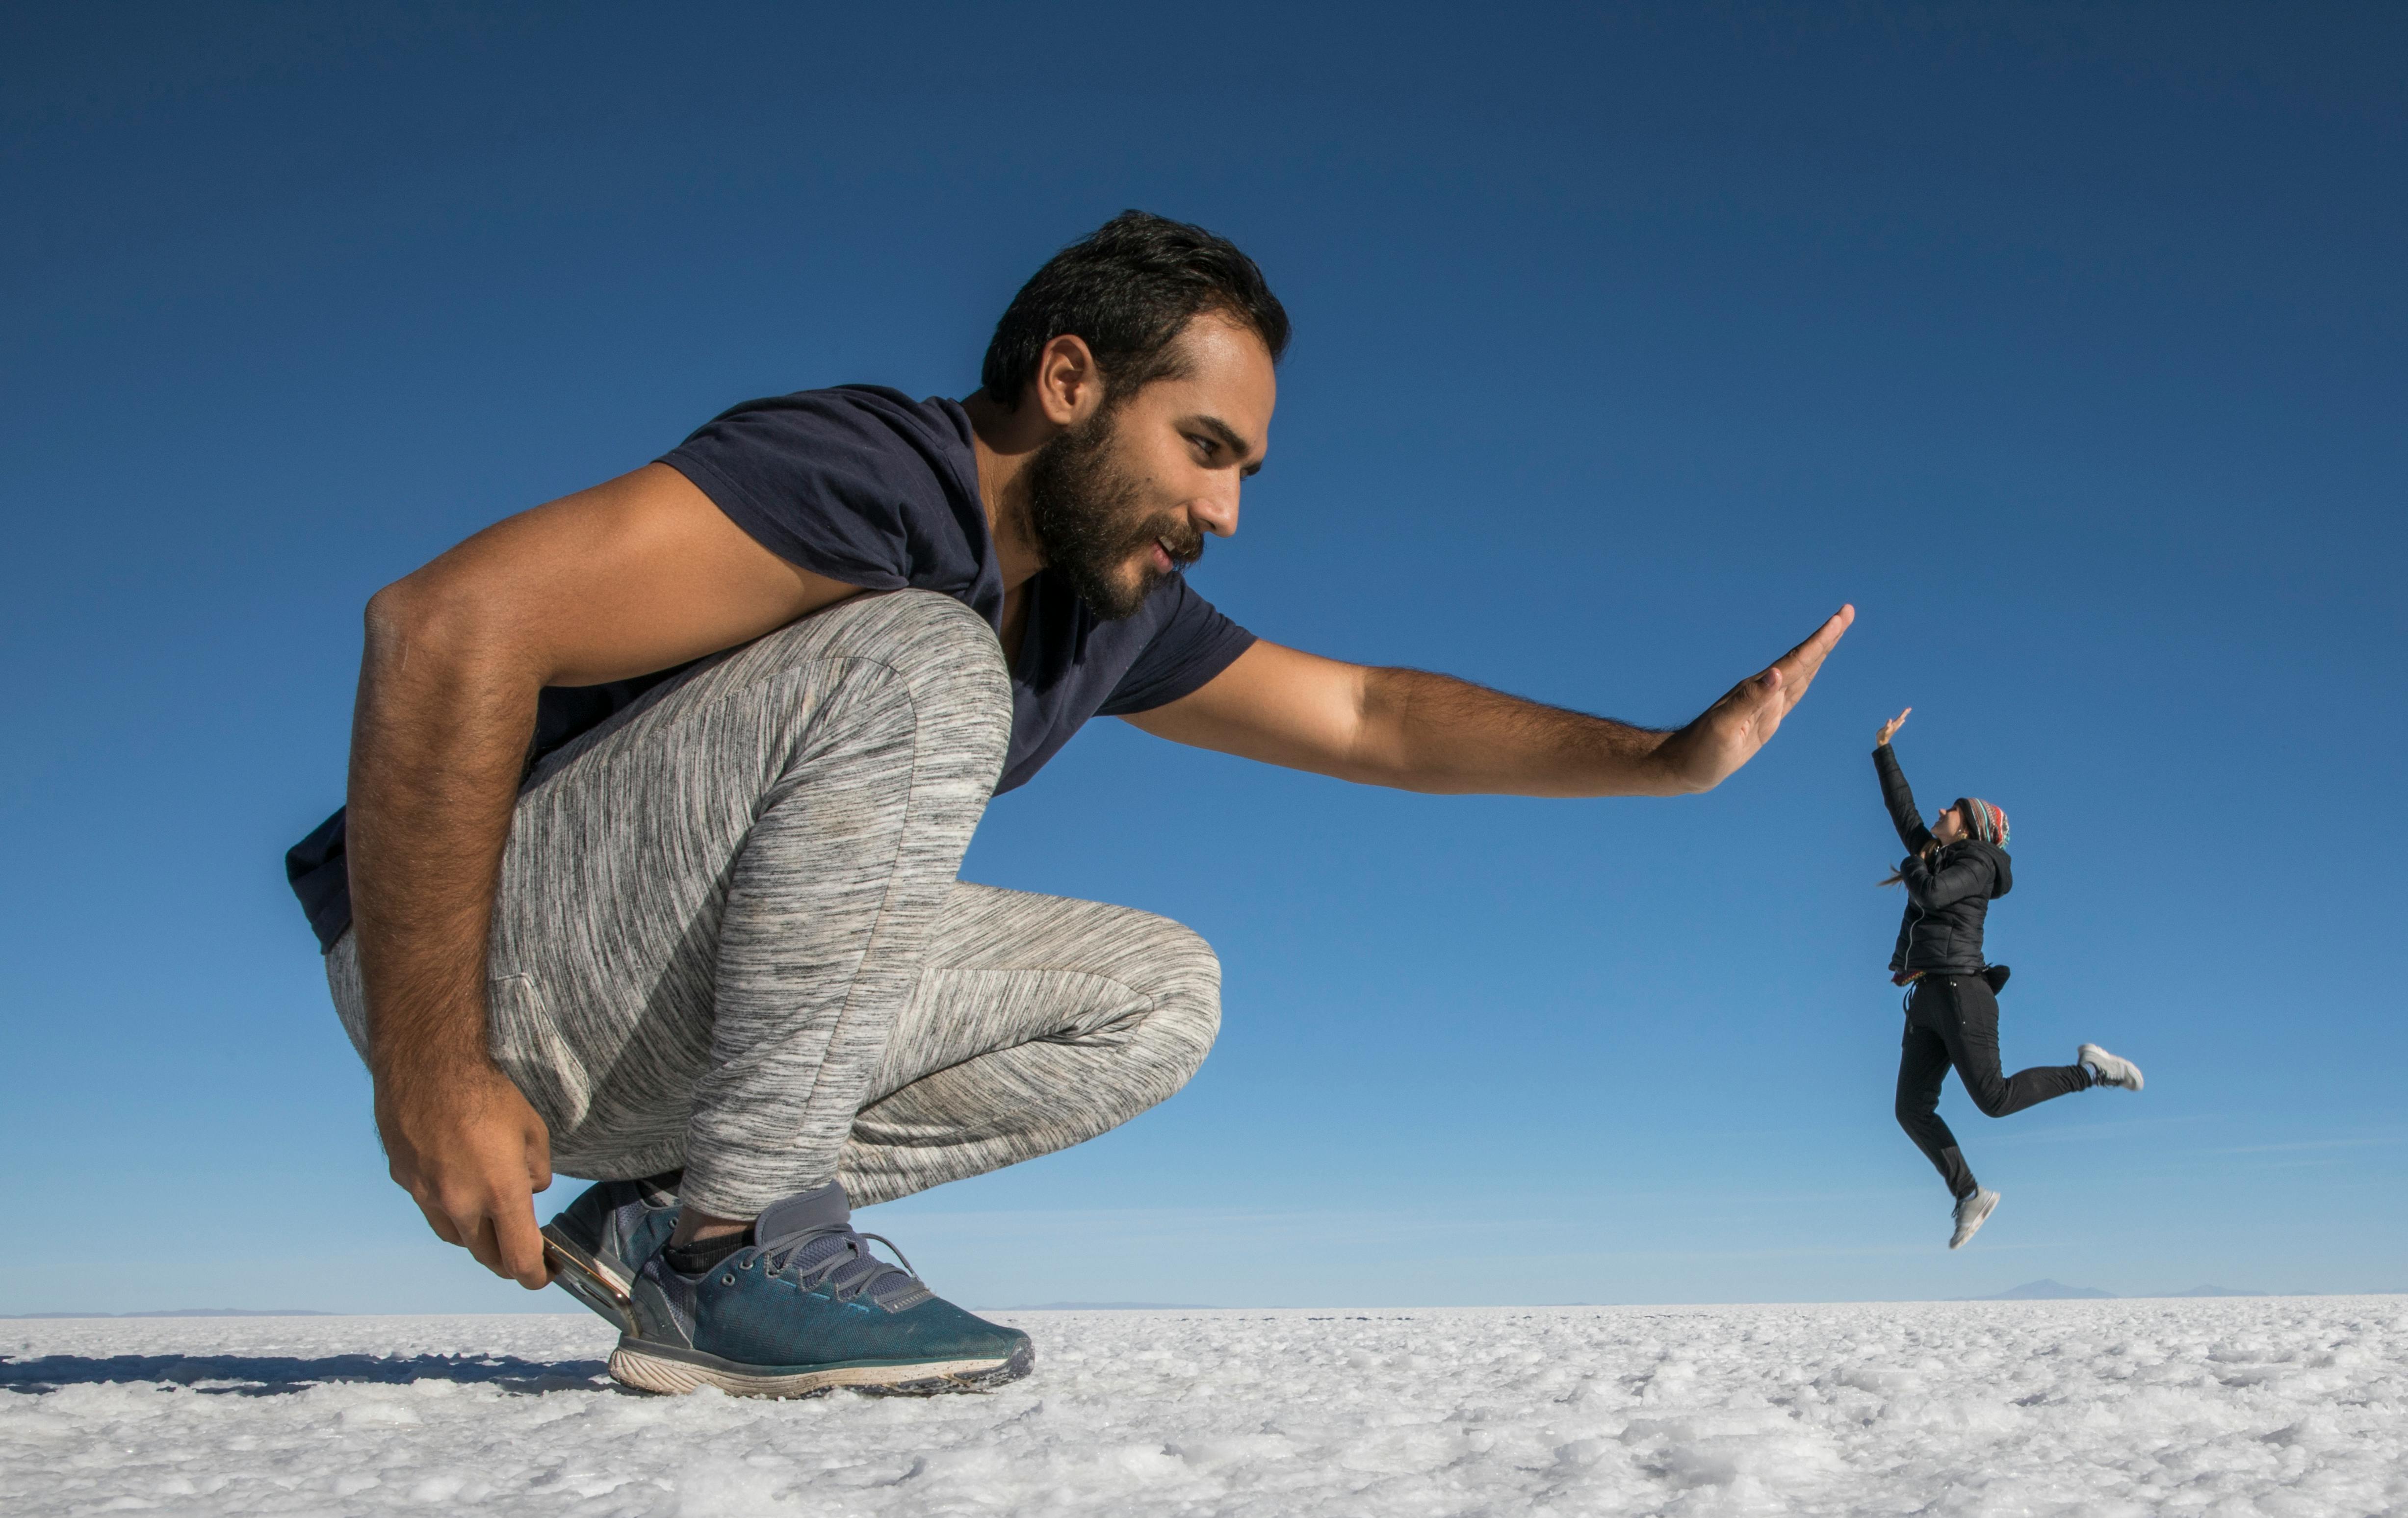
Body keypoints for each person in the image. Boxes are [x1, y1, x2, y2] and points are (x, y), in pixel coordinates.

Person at [287, 211, 1852, 1397]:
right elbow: (446, 627)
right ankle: (741, 1246)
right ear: (1066, 380)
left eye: (1246, 472)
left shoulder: (1105, 613)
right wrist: (431, 1067)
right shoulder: (872, 473)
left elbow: (1369, 715)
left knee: (1160, 994)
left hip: (666, 1033)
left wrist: (1663, 757)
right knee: (925, 660)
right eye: (1204, 448)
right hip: (482, 974)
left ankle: (665, 1216)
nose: (1224, 509)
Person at [1871, 708, 2141, 1249]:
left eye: (1952, 809)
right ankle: (1969, 1194)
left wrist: (1915, 862)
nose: (1940, 811)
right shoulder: (1941, 855)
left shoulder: (1979, 863)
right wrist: (1884, 752)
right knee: (1910, 1109)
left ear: (1971, 826)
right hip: (1926, 996)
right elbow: (1904, 815)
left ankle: (2091, 1071)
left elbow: (1931, 894)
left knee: (1994, 1099)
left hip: (1961, 992)